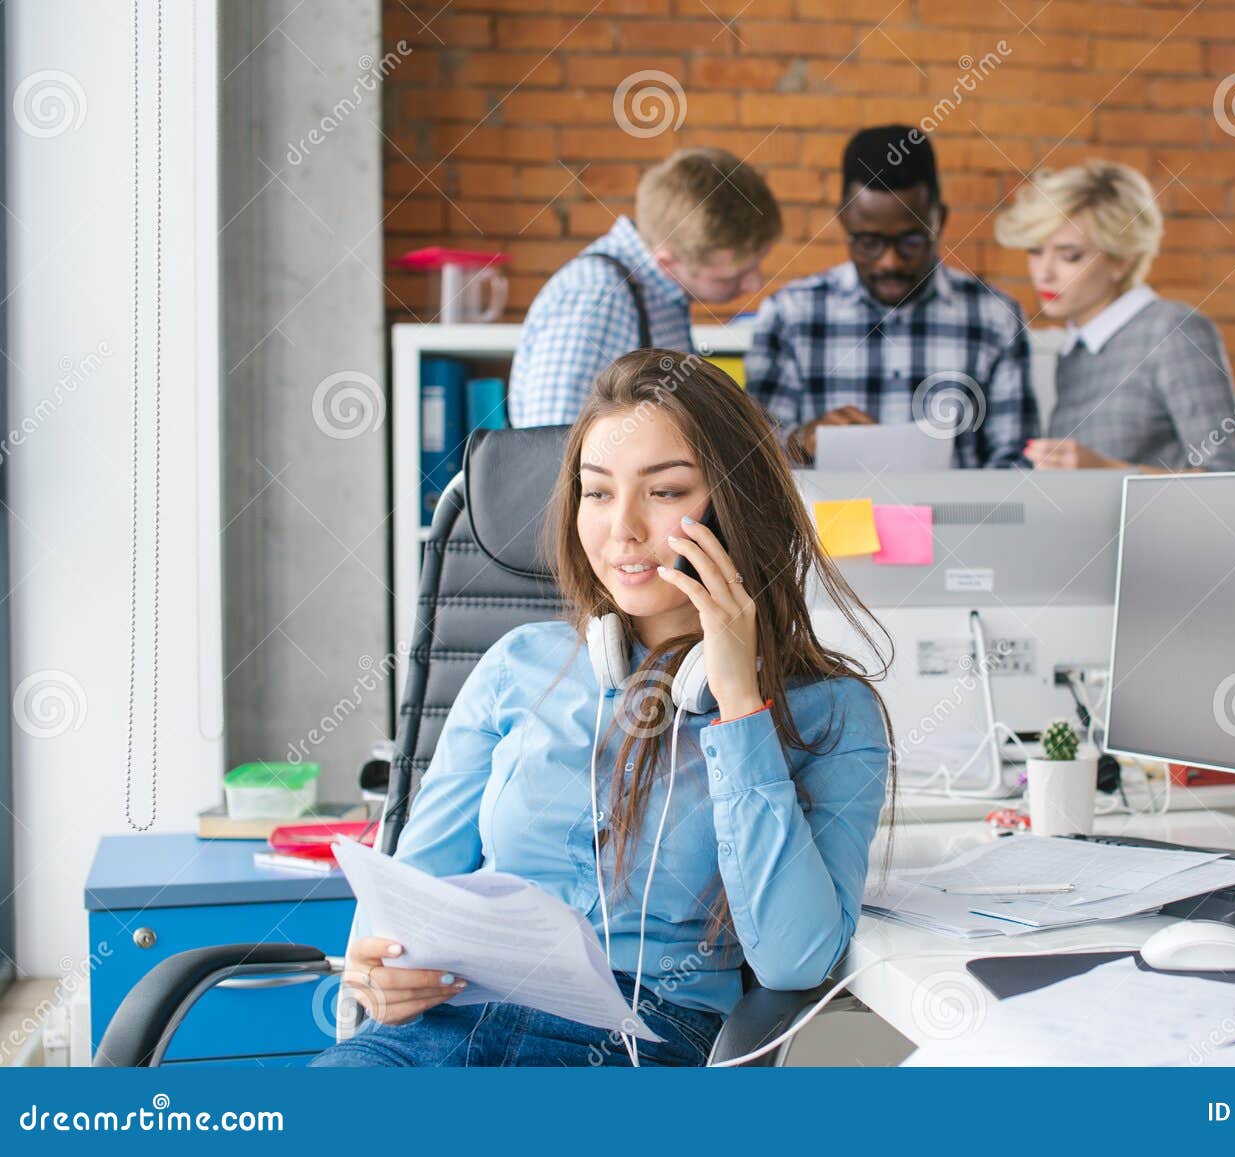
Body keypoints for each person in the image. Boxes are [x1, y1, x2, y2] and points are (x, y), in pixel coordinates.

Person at [313, 351, 893, 1067]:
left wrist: (740, 705)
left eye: (665, 490)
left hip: (638, 1041)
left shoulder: (833, 714)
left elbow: (794, 960)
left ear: (736, 505)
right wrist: (378, 972)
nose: (622, 528)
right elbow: (404, 903)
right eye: (596, 492)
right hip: (437, 1030)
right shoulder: (516, 666)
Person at [744, 126, 1036, 468]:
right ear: (844, 220)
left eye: (911, 241)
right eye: (869, 242)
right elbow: (753, 457)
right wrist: (802, 440)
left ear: (938, 220)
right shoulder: (789, 314)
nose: (890, 262)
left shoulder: (996, 317)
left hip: (960, 523)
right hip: (825, 522)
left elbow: (1016, 463)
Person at [993, 161, 1235, 473]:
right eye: (1035, 251)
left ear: (1122, 260)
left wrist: (1108, 471)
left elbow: (1231, 478)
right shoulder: (1073, 351)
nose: (1043, 273)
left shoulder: (1173, 332)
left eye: (1069, 256)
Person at [508, 149, 781, 428]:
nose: (754, 284)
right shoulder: (598, 296)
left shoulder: (662, 293)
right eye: (735, 274)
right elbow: (550, 451)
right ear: (668, 262)